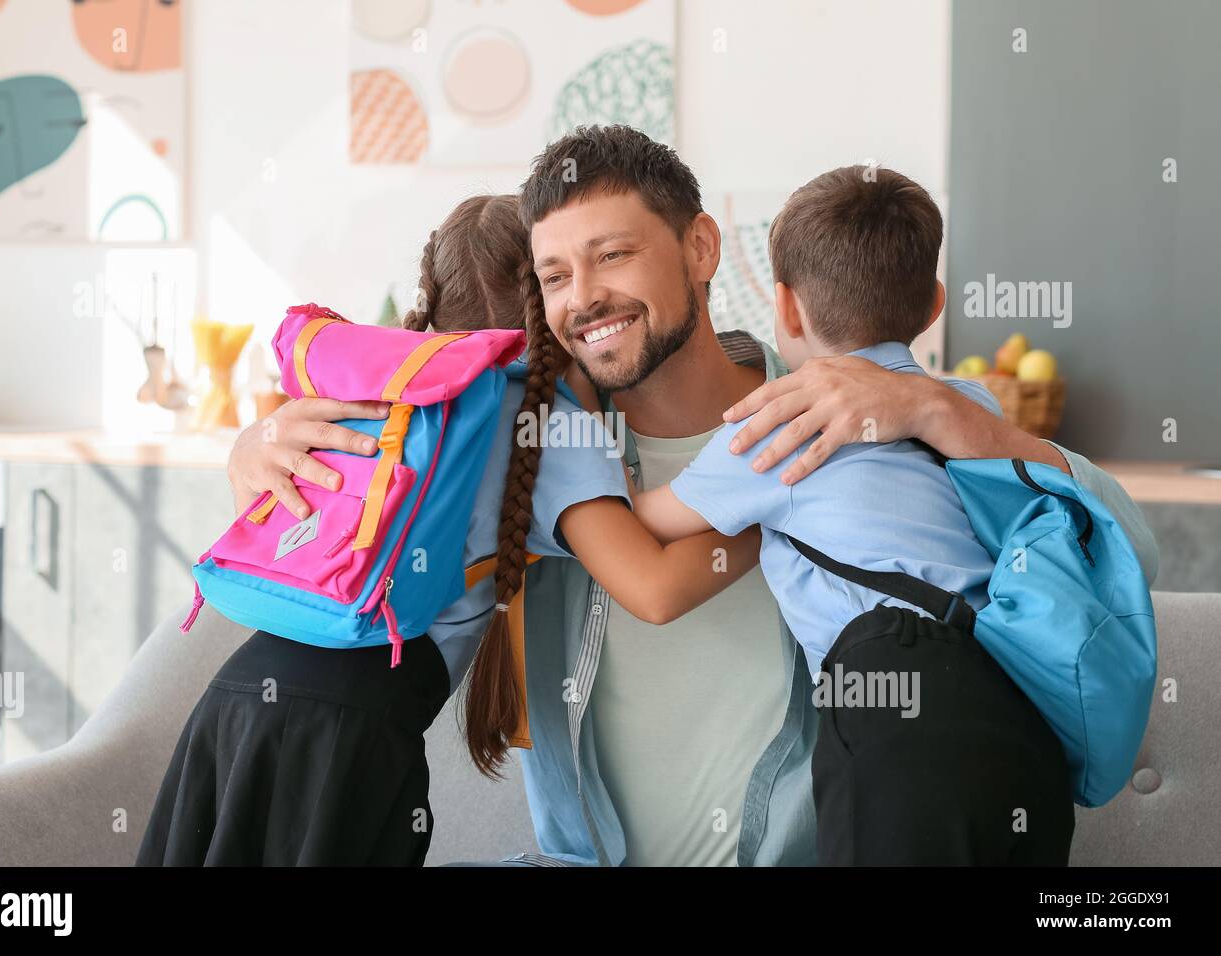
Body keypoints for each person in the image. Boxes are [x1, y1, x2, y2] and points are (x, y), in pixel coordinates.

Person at [227, 126, 1159, 866]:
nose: (586, 297)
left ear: (702, 248)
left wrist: (958, 421)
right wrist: (255, 444)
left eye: (616, 255)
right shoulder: (547, 448)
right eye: (557, 275)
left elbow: (1132, 549)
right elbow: (354, 507)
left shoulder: (882, 410)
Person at [136, 194, 760, 865]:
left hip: (235, 700)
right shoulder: (546, 415)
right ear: (548, 304)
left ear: (430, 303)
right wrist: (774, 514)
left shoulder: (382, 397)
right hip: (349, 728)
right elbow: (654, 587)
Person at [628, 164, 1074, 864]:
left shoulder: (776, 424)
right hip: (1022, 719)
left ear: (786, 309)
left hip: (899, 726)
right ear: (932, 306)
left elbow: (643, 521)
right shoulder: (973, 409)